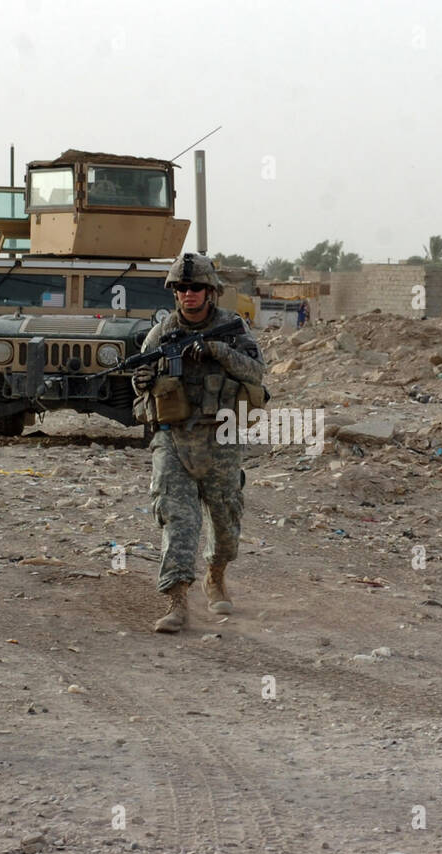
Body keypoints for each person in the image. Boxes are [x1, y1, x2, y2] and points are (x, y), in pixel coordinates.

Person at [131, 252, 266, 633]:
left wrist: (217, 351)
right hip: (174, 437)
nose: (188, 294)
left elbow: (257, 373)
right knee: (179, 521)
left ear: (211, 292)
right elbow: (142, 377)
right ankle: (177, 603)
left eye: (197, 288)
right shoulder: (162, 332)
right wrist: (141, 380)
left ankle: (216, 574)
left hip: (220, 436)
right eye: (182, 288)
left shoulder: (233, 328)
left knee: (225, 523)